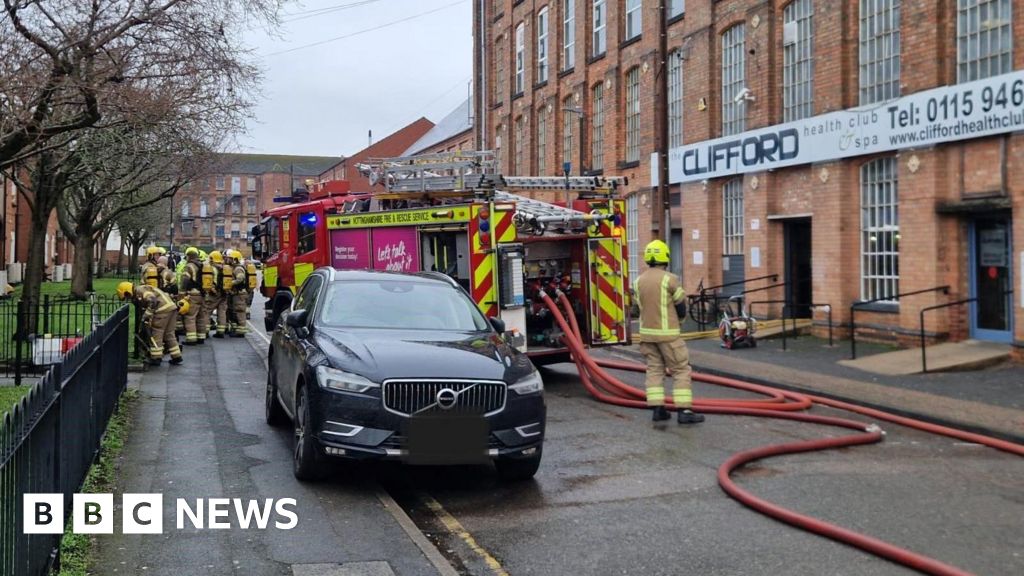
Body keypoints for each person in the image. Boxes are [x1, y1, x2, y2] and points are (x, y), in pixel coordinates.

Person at [633, 240, 703, 424]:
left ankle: (658, 410)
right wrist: (680, 321)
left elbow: (637, 308)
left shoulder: (638, 281)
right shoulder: (669, 279)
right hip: (668, 335)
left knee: (654, 370)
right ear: (665, 257)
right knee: (680, 370)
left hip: (647, 335)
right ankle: (684, 412)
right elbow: (681, 305)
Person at [116, 281, 184, 366]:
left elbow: (153, 301)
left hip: (162, 310)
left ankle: (156, 358)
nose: (128, 299)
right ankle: (177, 356)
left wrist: (146, 316)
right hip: (171, 309)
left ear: (127, 291)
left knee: (156, 333)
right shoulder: (142, 289)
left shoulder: (140, 291)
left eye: (127, 296)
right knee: (169, 334)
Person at [178, 246, 205, 345]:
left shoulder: (189, 266)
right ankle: (201, 337)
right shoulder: (202, 265)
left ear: (189, 257)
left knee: (190, 317)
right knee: (201, 316)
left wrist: (181, 294)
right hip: (202, 294)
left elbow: (184, 281)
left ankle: (191, 339)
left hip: (192, 294)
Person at [224, 249, 249, 336]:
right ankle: (236, 329)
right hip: (236, 293)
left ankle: (241, 332)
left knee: (240, 311)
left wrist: (230, 283)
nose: (228, 260)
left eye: (230, 258)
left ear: (235, 259)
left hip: (239, 293)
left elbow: (240, 278)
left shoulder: (238, 268)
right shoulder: (234, 267)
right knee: (234, 311)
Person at [206, 251, 228, 338]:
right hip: (224, 293)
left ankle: (205, 331)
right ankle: (221, 332)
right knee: (222, 312)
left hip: (214, 293)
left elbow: (210, 281)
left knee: (207, 312)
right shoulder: (225, 268)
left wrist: (211, 290)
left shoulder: (212, 268)